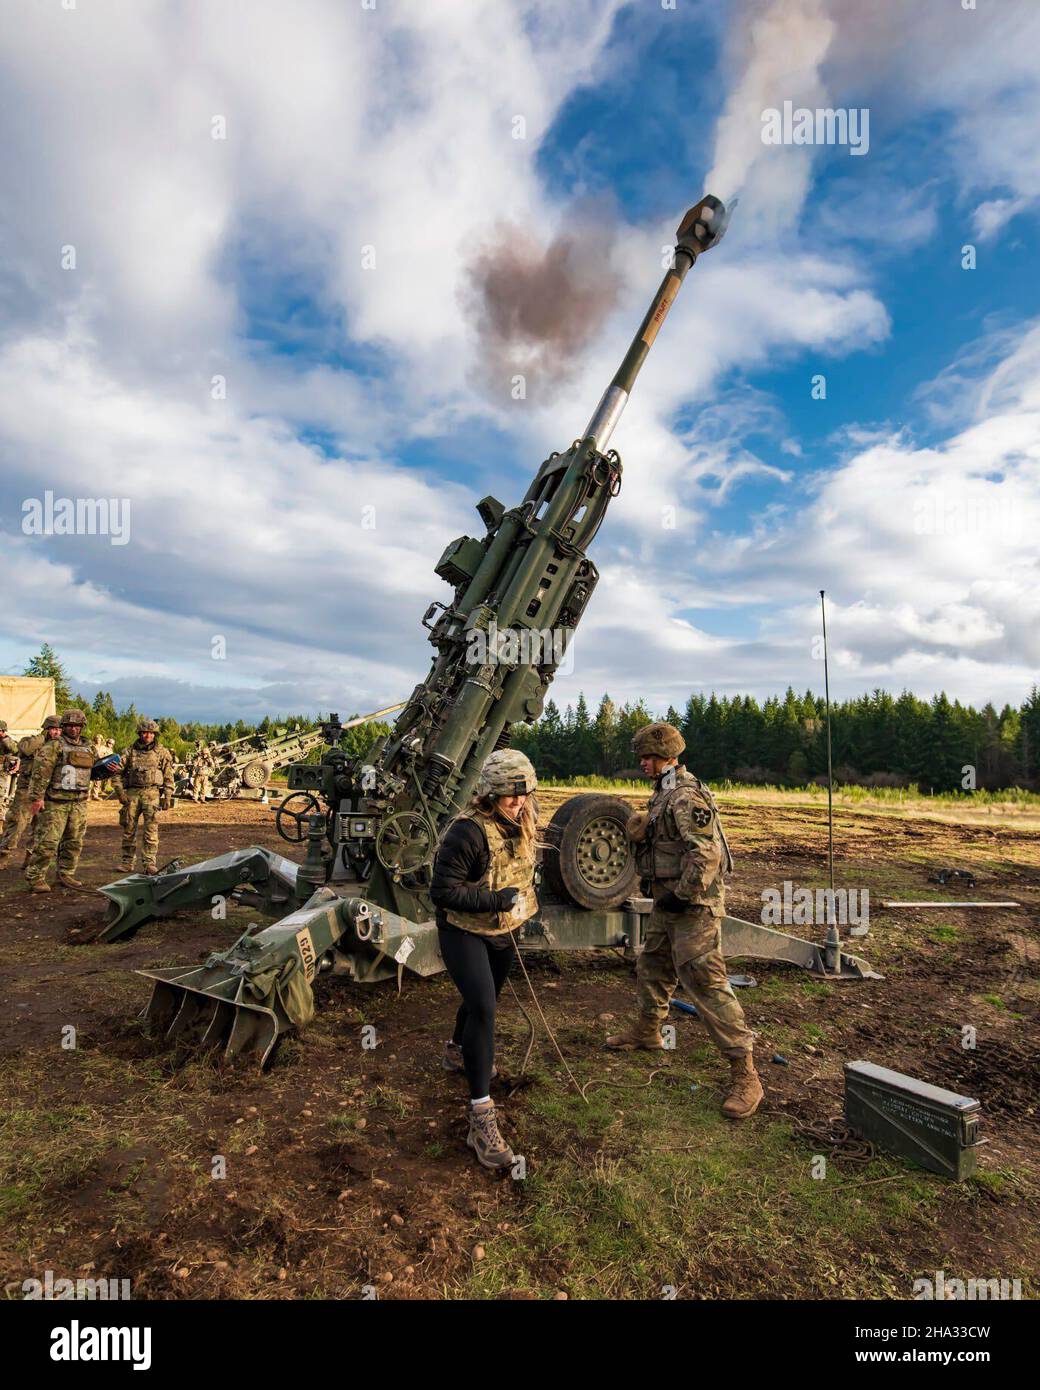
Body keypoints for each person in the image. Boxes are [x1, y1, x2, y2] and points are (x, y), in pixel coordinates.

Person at [606, 721, 763, 1120]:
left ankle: (745, 1074)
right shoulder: (663, 793)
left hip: (693, 907)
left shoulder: (684, 796)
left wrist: (683, 894)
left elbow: (706, 855)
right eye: (641, 756)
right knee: (653, 966)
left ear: (668, 757)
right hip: (669, 902)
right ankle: (647, 1031)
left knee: (706, 984)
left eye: (648, 757)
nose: (643, 763)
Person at [429, 749, 539, 1171]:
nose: (519, 800)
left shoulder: (522, 819)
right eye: (512, 793)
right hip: (462, 930)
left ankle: (456, 1051)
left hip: (502, 931)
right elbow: (442, 892)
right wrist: (494, 899)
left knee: (484, 997)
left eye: (525, 792)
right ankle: (480, 1116)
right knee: (485, 1009)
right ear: (491, 792)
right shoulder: (467, 833)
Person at [24, 708, 93, 892]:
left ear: (82, 727)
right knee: (48, 842)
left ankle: (66, 874)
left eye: (77, 726)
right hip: (56, 802)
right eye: (69, 725)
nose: (73, 729)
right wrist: (37, 798)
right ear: (63, 726)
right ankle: (35, 877)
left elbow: (92, 772)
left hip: (79, 802)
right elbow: (40, 773)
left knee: (74, 841)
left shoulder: (88, 747)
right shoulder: (54, 746)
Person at [115, 718, 175, 873]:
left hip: (152, 794)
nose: (148, 735)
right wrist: (120, 793)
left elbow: (169, 776)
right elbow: (116, 773)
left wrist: (167, 795)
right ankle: (127, 862)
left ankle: (149, 863)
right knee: (129, 829)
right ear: (140, 733)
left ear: (155, 734)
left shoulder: (162, 752)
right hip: (132, 794)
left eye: (151, 733)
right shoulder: (130, 751)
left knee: (151, 830)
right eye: (145, 732)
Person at [0, 715, 62, 867]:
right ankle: (3, 856)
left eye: (59, 729)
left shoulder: (60, 746)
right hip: (26, 791)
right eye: (54, 729)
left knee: (41, 827)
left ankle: (30, 858)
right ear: (46, 729)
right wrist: (42, 738)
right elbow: (23, 749)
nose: (57, 732)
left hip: (47, 793)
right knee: (16, 824)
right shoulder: (34, 741)